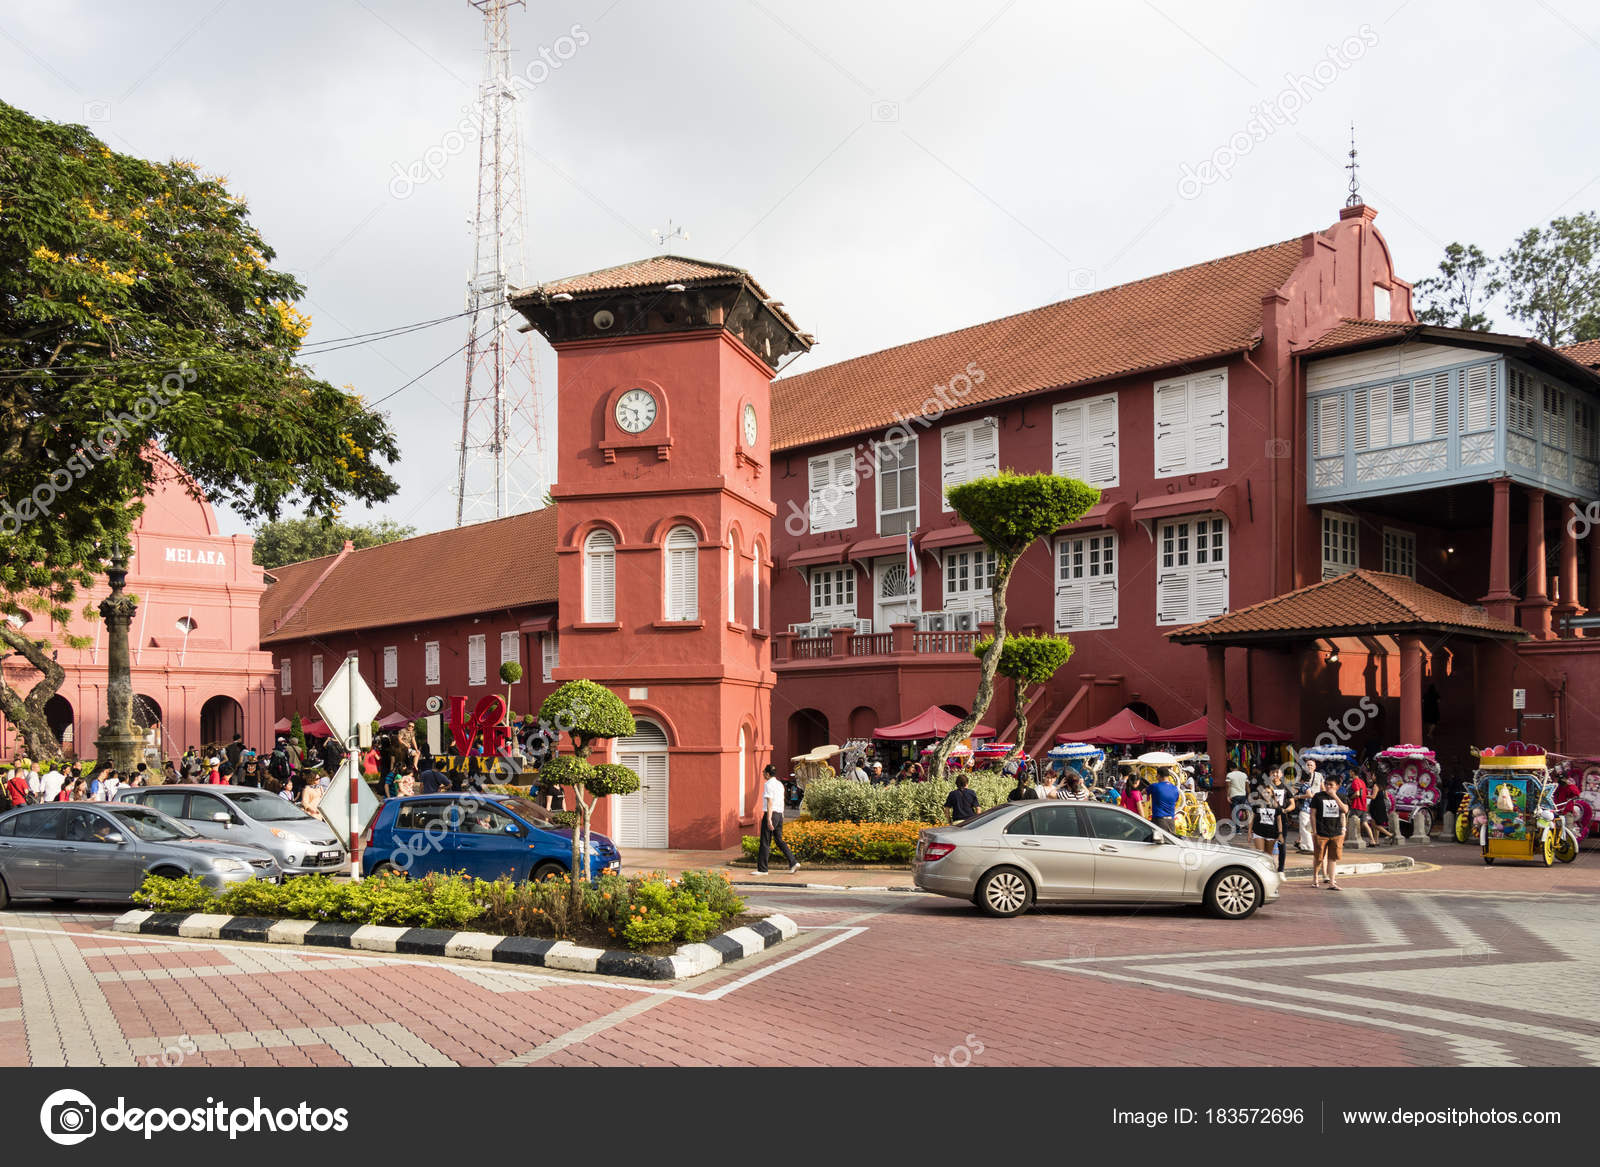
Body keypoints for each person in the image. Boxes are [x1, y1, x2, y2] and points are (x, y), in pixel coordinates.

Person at [754, 764, 799, 875]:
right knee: (779, 840)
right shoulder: (779, 784)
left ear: (768, 774)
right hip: (779, 814)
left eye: (764, 772)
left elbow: (770, 801)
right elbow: (781, 800)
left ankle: (762, 869)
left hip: (771, 814)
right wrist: (782, 814)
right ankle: (793, 862)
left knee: (765, 841)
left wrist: (769, 819)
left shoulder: (768, 784)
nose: (763, 774)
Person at [1308, 775, 1349, 889]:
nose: (1328, 787)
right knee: (1319, 857)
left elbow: (1345, 811)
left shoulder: (1341, 796)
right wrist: (1314, 830)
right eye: (1326, 784)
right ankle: (1315, 877)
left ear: (1337, 786)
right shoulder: (1318, 796)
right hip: (1321, 831)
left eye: (1331, 785)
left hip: (1336, 831)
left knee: (1333, 858)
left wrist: (1334, 796)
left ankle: (1332, 882)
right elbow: (1312, 814)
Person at [1248, 781, 1281, 856]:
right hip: (1258, 832)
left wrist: (1280, 833)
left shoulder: (1276, 806)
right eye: (1264, 792)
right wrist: (1249, 832)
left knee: (1268, 856)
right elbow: (1251, 818)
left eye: (1268, 792)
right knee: (1260, 855)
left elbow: (1279, 820)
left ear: (1272, 793)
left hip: (1272, 833)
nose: (1266, 794)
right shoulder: (1257, 804)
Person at [1348, 766, 1376, 845]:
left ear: (1353, 772)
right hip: (1363, 805)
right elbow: (1365, 793)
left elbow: (1357, 793)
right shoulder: (1362, 782)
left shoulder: (1355, 781)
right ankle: (1372, 840)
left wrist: (1350, 797)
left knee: (1350, 822)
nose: (1349, 773)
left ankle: (1348, 839)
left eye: (1350, 772)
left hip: (1356, 805)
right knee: (1365, 823)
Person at [1147, 768, 1180, 834]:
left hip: (1159, 820)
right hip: (1171, 821)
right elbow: (1176, 800)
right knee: (1171, 842)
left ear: (1159, 776)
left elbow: (1143, 793)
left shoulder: (1155, 786)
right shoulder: (1175, 789)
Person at [1369, 777, 1394, 844]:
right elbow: (1386, 796)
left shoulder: (1376, 785)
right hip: (1381, 806)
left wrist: (1364, 795)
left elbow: (1373, 797)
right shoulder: (1383, 786)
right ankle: (1376, 840)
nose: (1372, 777)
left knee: (1374, 825)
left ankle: (1390, 835)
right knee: (1376, 823)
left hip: (1376, 806)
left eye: (1373, 775)